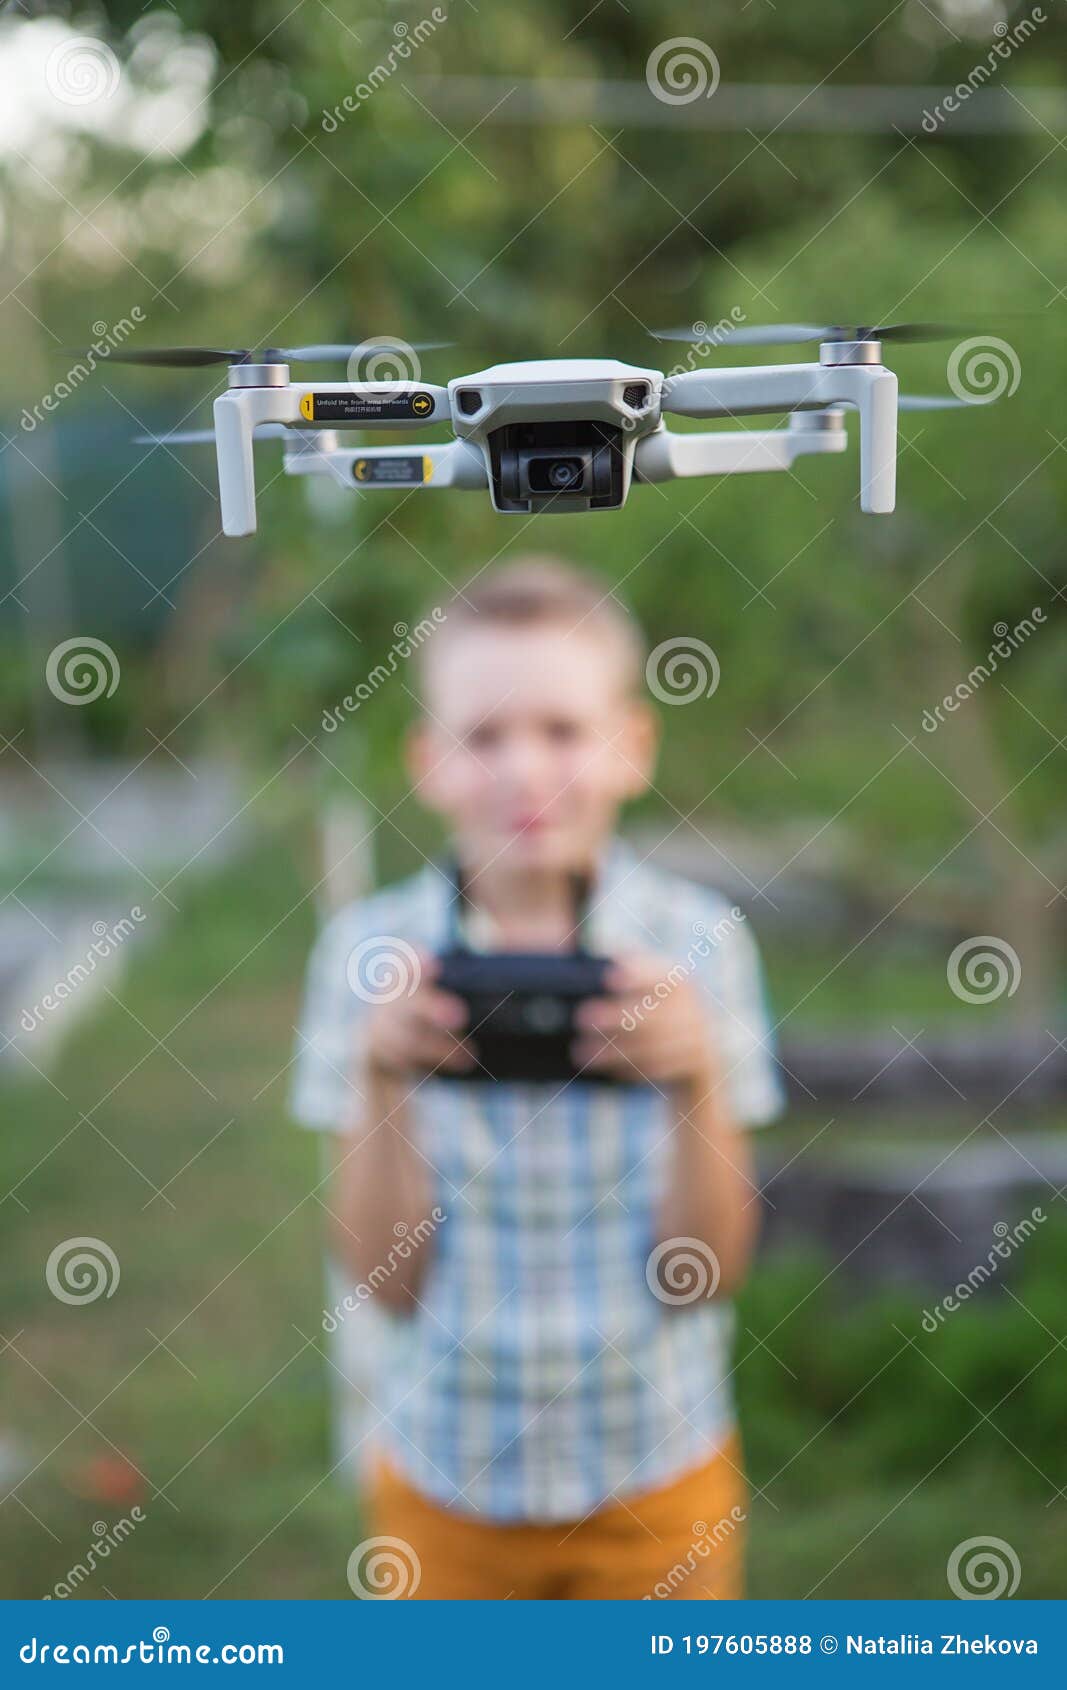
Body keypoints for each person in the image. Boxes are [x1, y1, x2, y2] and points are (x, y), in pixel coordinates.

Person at [291, 556, 783, 1600]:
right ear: (427, 761)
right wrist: (381, 1076)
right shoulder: (366, 955)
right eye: (483, 735)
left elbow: (710, 1267)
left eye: (561, 729)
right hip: (444, 1476)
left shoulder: (698, 945)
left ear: (631, 747)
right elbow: (384, 1281)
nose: (524, 769)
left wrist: (695, 1079)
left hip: (656, 1468)